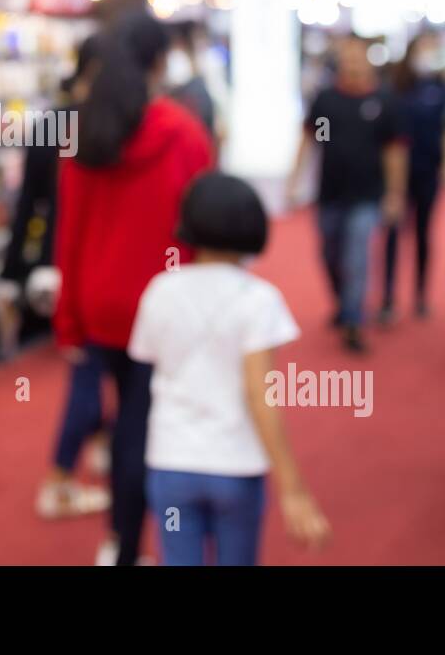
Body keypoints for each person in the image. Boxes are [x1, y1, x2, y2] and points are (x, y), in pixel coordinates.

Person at [54, 10, 213, 565]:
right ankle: (140, 545)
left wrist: (68, 317)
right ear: (160, 59)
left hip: (104, 307)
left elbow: (67, 234)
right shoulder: (186, 132)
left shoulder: (86, 133)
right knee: (153, 429)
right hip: (167, 306)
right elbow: (203, 227)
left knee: (129, 427)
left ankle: (120, 543)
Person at [129, 173, 331, 565]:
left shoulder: (159, 291)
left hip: (171, 462)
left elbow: (144, 366)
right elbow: (260, 396)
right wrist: (293, 487)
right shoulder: (259, 300)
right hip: (236, 465)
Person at [0, 35, 112, 519]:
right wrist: (13, 275)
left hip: (80, 268)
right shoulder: (76, 125)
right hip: (74, 269)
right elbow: (31, 207)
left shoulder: (94, 123)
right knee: (90, 369)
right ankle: (61, 477)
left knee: (102, 368)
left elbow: (29, 208)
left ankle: (97, 446)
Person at [286, 34, 408, 353]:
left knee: (357, 256)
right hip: (330, 194)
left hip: (367, 195)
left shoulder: (383, 101)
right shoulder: (326, 100)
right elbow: (310, 139)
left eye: (358, 58)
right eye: (347, 58)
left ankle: (354, 320)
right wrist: (294, 180)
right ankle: (343, 303)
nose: (352, 64)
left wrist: (395, 194)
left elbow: (394, 150)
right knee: (330, 252)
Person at [380, 31, 445, 323]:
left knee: (424, 234)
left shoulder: (441, 88)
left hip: (428, 171)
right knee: (392, 234)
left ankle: (421, 295)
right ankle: (387, 297)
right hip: (397, 173)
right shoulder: (396, 88)